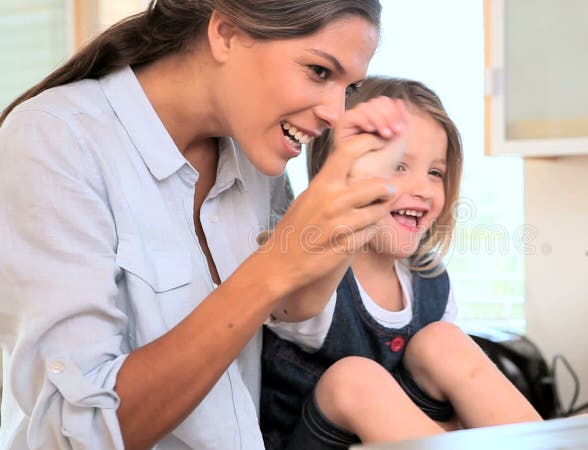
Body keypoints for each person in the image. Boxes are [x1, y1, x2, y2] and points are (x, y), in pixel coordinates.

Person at [0, 1, 412, 449]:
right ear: (226, 33)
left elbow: (292, 310)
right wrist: (275, 264)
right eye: (318, 71)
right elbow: (78, 429)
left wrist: (349, 201)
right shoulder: (55, 139)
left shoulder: (253, 152)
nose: (336, 112)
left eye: (349, 88)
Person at [259, 77, 542, 450]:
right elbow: (296, 301)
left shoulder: (430, 278)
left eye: (435, 173)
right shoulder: (314, 267)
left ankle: (545, 444)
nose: (423, 189)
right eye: (397, 166)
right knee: (354, 378)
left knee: (443, 342)